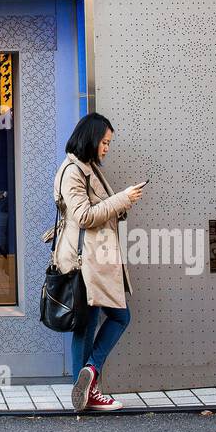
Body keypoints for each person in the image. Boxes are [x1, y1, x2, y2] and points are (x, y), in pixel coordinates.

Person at [53, 112, 146, 413]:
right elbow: (83, 216)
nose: (106, 148)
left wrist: (122, 204)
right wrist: (122, 199)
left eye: (108, 142)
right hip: (85, 262)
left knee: (101, 320)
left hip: (98, 259)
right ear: (91, 139)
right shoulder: (72, 172)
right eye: (104, 142)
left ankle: (88, 378)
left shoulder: (88, 168)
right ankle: (88, 386)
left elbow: (99, 209)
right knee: (96, 321)